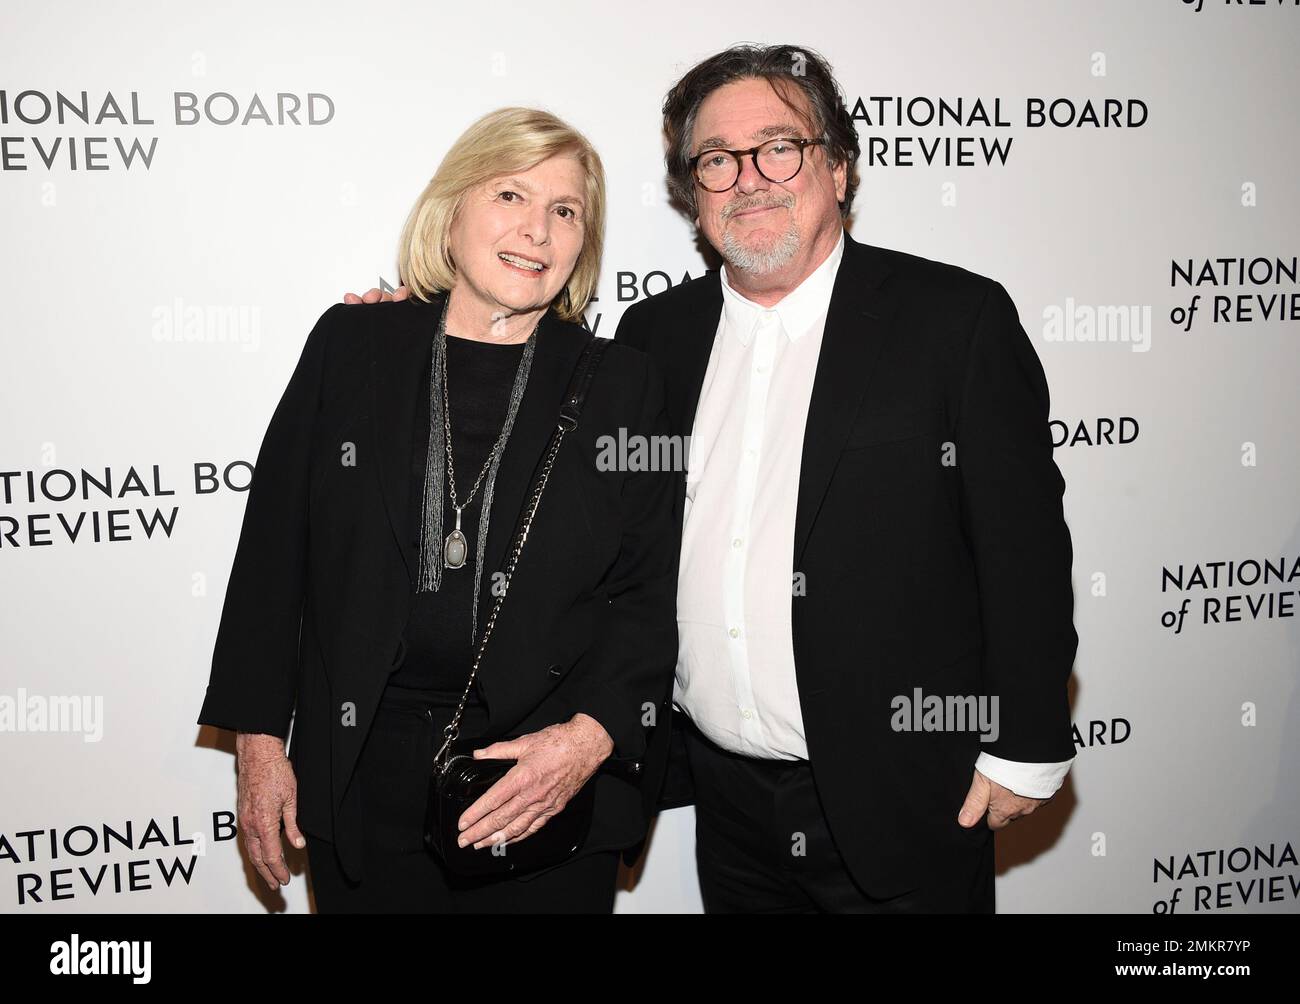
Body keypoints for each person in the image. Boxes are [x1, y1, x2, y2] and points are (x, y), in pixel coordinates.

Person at [352, 44, 1079, 914]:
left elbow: (1024, 551)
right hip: (720, 799)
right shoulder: (654, 337)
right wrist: (413, 331)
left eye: (780, 147)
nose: (749, 179)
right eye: (716, 162)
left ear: (838, 169)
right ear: (692, 195)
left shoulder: (954, 322)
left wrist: (1027, 740)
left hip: (901, 790)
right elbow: (592, 519)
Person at [198, 107, 678, 913]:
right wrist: (258, 745)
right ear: (450, 213)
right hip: (362, 771)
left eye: (565, 212)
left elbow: (648, 595)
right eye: (511, 197)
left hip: (540, 779)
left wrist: (587, 740)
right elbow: (275, 556)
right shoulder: (351, 349)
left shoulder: (623, 384)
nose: (537, 230)